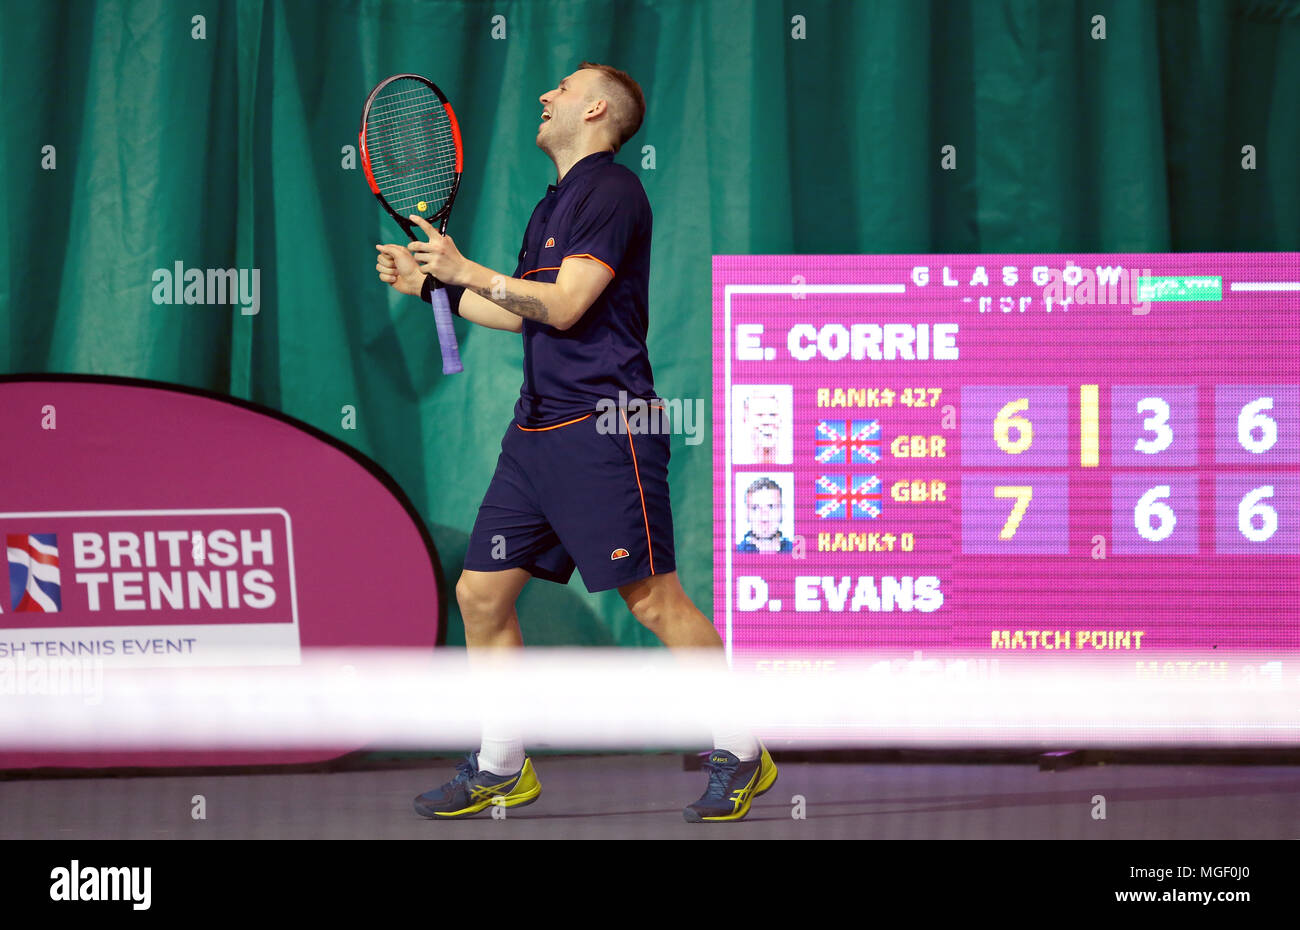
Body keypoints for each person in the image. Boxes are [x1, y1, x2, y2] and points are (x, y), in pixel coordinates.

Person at [374, 62, 776, 822]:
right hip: (536, 434)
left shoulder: (613, 192)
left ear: (595, 110)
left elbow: (565, 305)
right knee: (480, 593)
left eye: (559, 88)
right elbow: (523, 310)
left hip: (606, 427)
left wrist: (465, 269)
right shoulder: (554, 202)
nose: (542, 94)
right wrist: (436, 288)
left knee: (653, 599)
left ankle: (742, 749)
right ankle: (501, 765)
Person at [736, 477, 794, 553]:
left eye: (771, 507)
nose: (764, 518)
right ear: (746, 513)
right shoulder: (735, 553)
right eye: (755, 508)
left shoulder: (796, 552)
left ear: (782, 511)